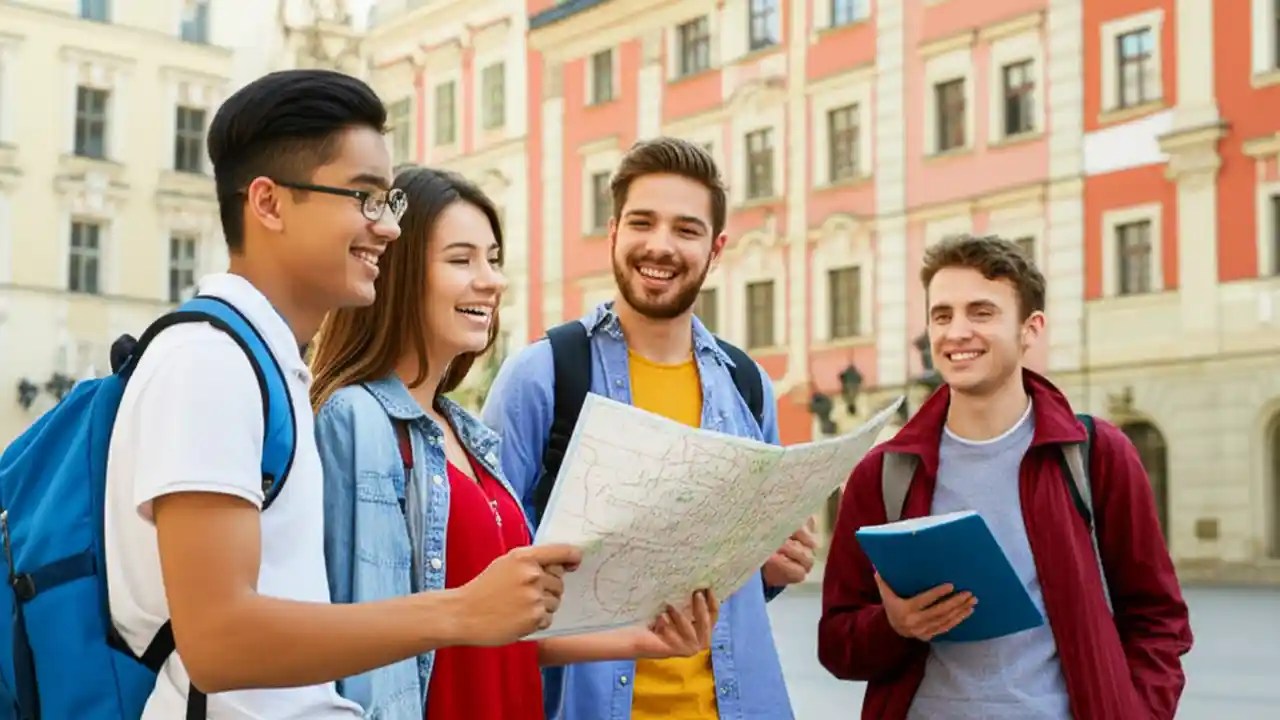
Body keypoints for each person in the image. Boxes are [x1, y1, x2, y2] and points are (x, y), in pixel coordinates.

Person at [103, 69, 580, 719]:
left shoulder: (264, 369)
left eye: (386, 202)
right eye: (363, 197)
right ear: (268, 204)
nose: (386, 229)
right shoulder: (207, 364)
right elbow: (217, 643)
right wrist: (464, 610)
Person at [309, 165, 719, 720]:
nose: (492, 281)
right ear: (400, 273)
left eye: (494, 260)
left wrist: (641, 639)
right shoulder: (356, 419)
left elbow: (499, 636)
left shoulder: (468, 435)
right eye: (462, 260)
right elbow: (356, 640)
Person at [481, 137, 811, 720]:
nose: (660, 245)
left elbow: (738, 585)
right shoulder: (543, 375)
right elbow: (486, 584)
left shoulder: (748, 385)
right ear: (613, 234)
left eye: (686, 229)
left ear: (716, 249)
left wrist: (774, 568)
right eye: (642, 222)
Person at [817, 235, 1194, 719]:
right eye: (942, 315)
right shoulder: (884, 473)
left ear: (1029, 329)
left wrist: (1137, 713)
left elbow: (1159, 619)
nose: (957, 332)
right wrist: (895, 626)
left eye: (982, 312)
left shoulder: (1096, 456)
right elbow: (836, 644)